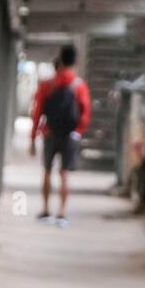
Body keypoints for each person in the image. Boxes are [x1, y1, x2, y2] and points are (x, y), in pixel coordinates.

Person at [29, 45, 91, 226]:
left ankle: (46, 210)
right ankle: (62, 214)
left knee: (47, 171)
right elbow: (85, 112)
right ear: (75, 62)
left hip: (50, 133)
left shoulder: (47, 84)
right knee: (65, 174)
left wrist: (33, 137)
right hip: (70, 135)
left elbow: (37, 112)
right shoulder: (79, 86)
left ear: (60, 61)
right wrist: (77, 132)